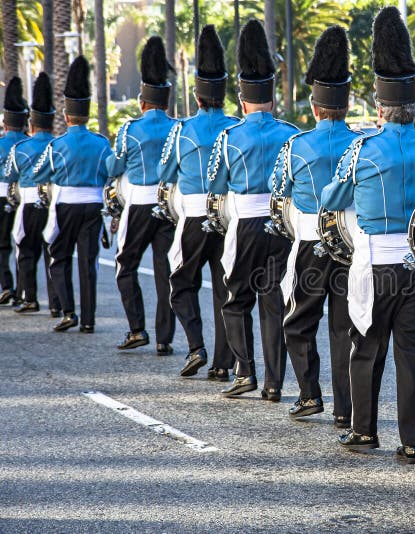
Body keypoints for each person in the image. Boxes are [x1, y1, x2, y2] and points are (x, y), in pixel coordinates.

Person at [320, 7, 415, 462]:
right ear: (412, 107)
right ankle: (413, 440)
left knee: (366, 345)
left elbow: (333, 198)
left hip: (375, 262)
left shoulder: (362, 148)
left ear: (380, 108)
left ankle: (363, 428)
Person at [271, 25, 359, 426]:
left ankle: (309, 395)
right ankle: (346, 409)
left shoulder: (295, 144)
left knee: (298, 321)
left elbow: (278, 189)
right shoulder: (361, 142)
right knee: (344, 327)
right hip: (353, 244)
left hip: (309, 242)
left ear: (315, 106)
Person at [207, 20, 299, 398]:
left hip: (244, 224)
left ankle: (245, 372)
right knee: (272, 301)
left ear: (242, 101)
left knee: (235, 299)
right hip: (281, 223)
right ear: (273, 99)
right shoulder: (291, 132)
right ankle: (275, 383)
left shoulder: (229, 136)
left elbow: (215, 183)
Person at [157, 25, 238, 382]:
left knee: (181, 281)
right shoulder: (235, 126)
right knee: (224, 289)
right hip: (228, 216)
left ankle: (195, 346)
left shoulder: (181, 129)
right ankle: (223, 363)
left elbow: (164, 169)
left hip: (192, 217)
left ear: (198, 96)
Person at [107, 36, 177, 356]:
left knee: (125, 264)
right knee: (166, 271)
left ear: (141, 101)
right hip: (168, 205)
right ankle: (165, 338)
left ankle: (137, 329)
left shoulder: (129, 129)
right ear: (166, 101)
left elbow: (114, 164)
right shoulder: (178, 128)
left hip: (138, 205)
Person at [33, 57, 113, 333]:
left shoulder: (58, 145)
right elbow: (111, 170)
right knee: (88, 264)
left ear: (67, 116)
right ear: (87, 115)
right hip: (93, 205)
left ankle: (69, 311)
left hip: (65, 204)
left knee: (59, 256)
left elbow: (37, 174)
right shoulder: (101, 143)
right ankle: (89, 320)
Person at [4, 73, 60, 316]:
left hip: (25, 202)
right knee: (52, 253)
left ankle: (28, 297)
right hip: (54, 203)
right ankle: (57, 302)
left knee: (25, 249)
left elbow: (9, 174)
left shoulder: (20, 148)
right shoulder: (59, 144)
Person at [0, 77, 29, 306]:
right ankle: (23, 290)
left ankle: (6, 286)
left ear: (5, 123)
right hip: (25, 197)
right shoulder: (29, 143)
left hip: (1, 197)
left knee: (2, 245)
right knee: (23, 245)